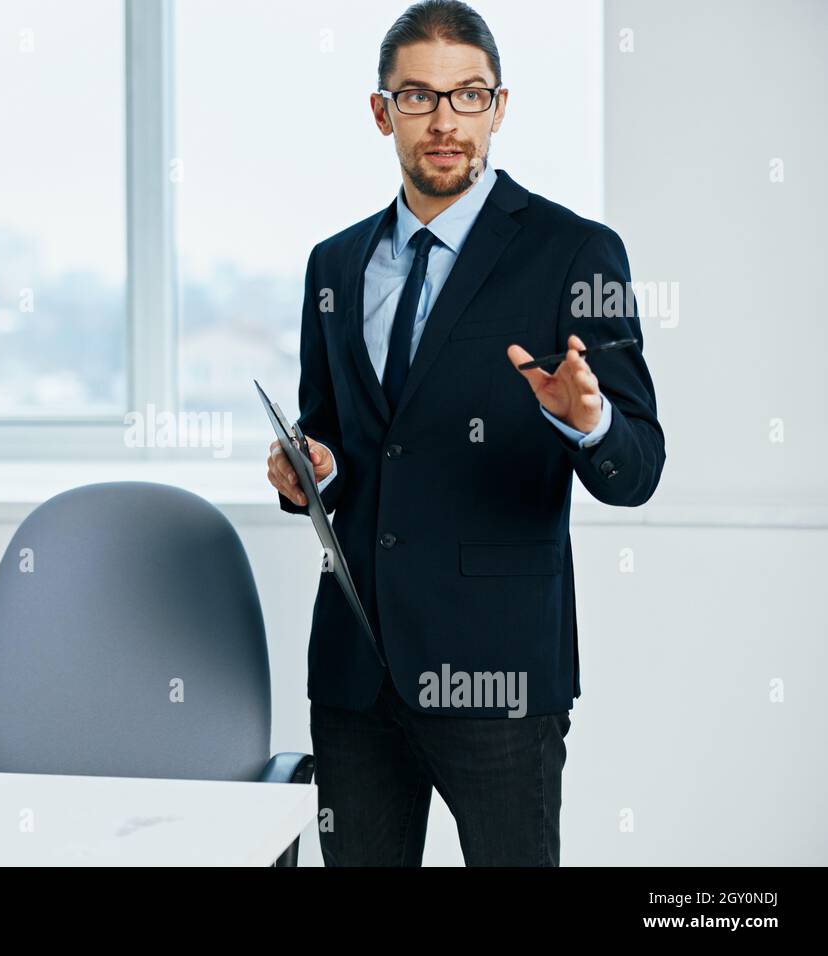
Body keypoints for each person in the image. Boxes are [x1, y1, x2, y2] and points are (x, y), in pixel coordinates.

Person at [265, 0, 665, 866]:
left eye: (467, 95)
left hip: (500, 675)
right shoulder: (333, 266)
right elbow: (331, 436)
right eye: (418, 97)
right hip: (355, 670)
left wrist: (585, 420)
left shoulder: (575, 253)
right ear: (382, 112)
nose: (444, 121)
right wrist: (311, 473)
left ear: (499, 106)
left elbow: (638, 468)